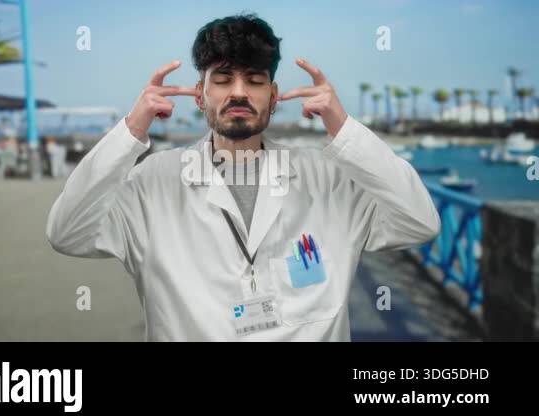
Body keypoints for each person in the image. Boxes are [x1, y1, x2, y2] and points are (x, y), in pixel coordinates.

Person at [46, 14, 440, 341]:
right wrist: (131, 131)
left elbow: (419, 222)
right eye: (222, 79)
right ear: (200, 95)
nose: (239, 92)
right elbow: (68, 234)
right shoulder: (154, 182)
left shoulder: (327, 179)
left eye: (254, 80)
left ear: (274, 94)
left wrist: (343, 127)